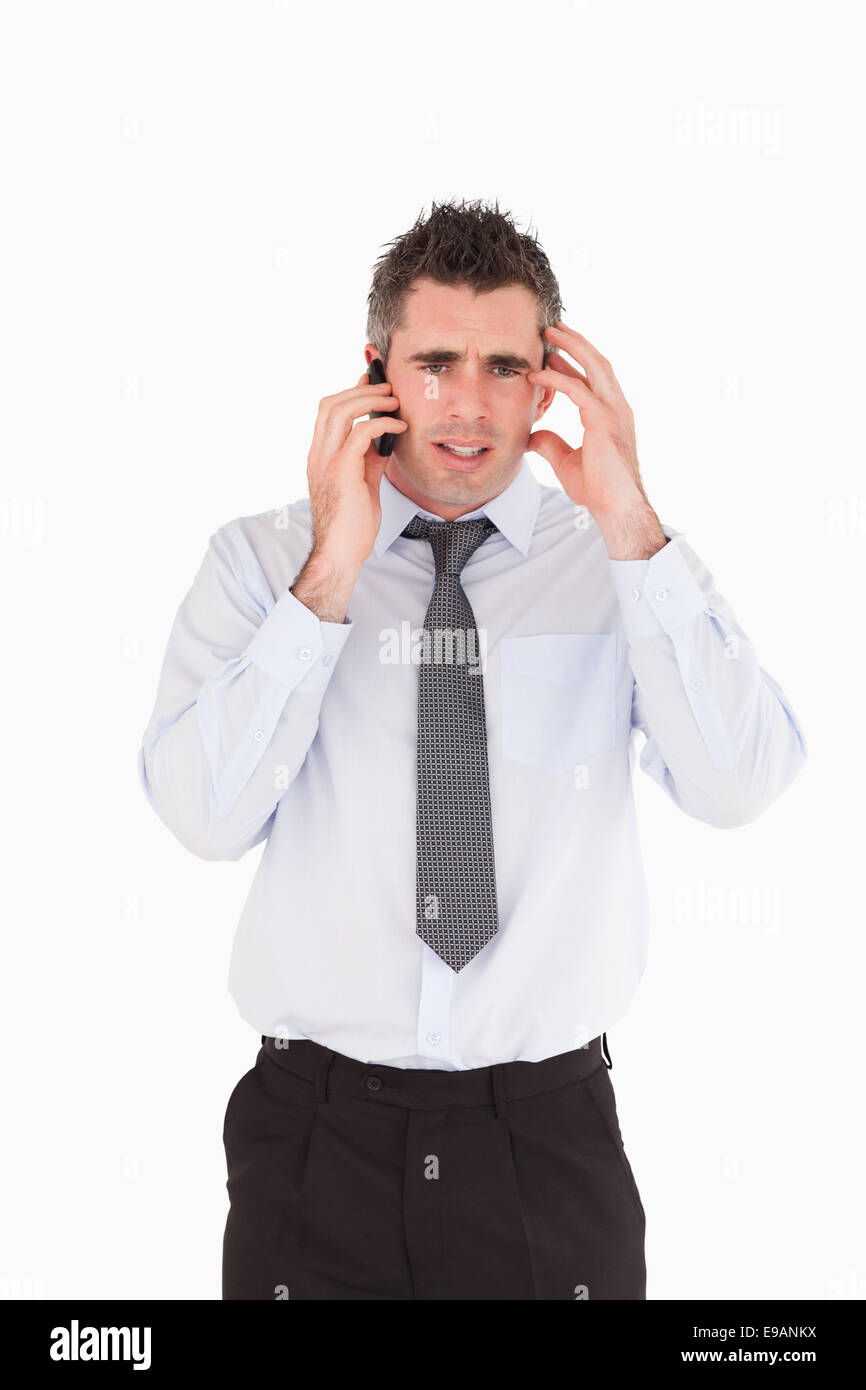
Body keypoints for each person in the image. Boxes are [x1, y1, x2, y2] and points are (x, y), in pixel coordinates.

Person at [137, 198, 807, 1300]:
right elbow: (201, 819)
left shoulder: (618, 562)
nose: (466, 402)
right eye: (434, 360)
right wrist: (332, 575)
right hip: (315, 1140)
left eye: (505, 364)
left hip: (546, 1141)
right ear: (373, 372)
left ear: (551, 381)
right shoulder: (262, 564)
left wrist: (631, 522)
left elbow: (738, 785)